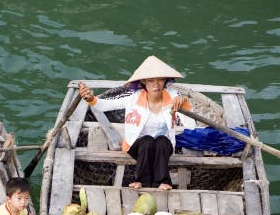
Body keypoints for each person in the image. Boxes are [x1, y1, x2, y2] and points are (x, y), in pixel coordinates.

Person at [78, 55, 194, 191]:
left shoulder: (173, 96)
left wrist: (183, 103)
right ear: (144, 81)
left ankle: (162, 182)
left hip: (162, 148)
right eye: (151, 80)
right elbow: (104, 105)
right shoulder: (133, 97)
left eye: (160, 80)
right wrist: (91, 98)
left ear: (165, 81)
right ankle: (141, 181)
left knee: (161, 140)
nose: (156, 85)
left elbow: (190, 125)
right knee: (147, 141)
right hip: (137, 146)